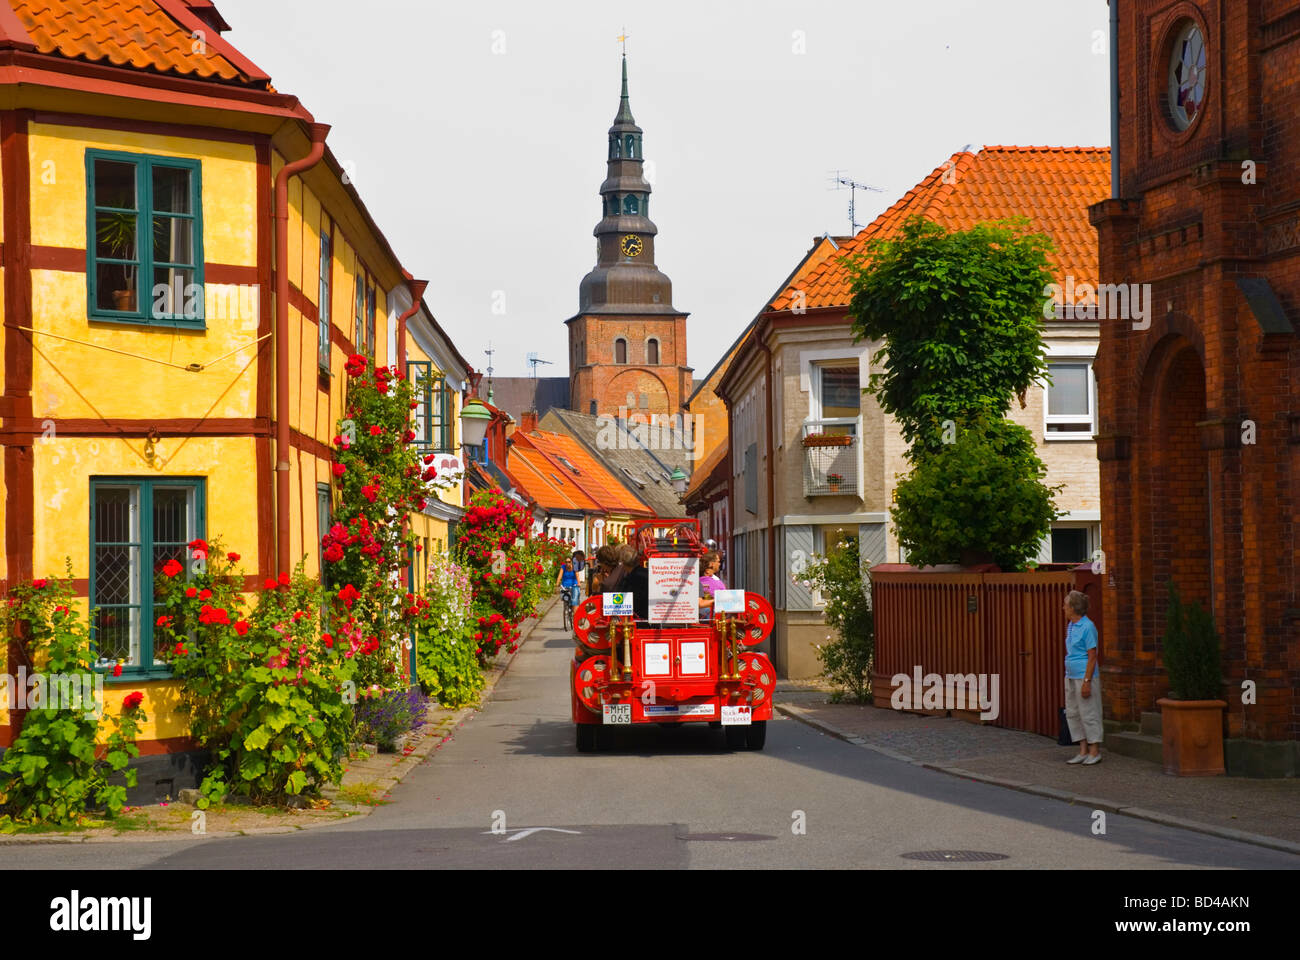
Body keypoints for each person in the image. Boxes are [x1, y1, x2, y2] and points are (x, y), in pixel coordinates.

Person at [1062, 590, 1102, 764]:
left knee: (1089, 712)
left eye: (1065, 604)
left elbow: (1092, 656)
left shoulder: (1088, 626)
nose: (1063, 607)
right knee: (1073, 712)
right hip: (1071, 675)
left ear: (1073, 608)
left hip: (1084, 675)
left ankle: (1094, 751)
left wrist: (1087, 681)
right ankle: (1083, 749)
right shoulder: (1071, 625)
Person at [698, 550, 726, 616]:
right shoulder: (716, 583)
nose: (719, 564)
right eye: (718, 561)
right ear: (711, 564)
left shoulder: (697, 580)